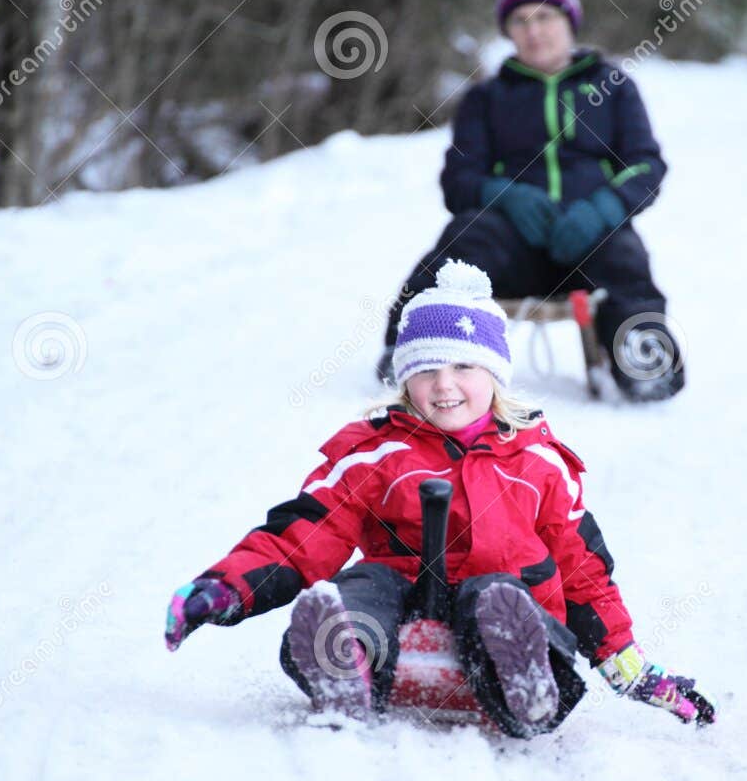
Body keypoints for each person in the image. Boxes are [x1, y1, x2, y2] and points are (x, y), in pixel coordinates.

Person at [166, 260, 714, 737]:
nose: (444, 384)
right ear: (404, 381)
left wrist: (629, 666)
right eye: (425, 369)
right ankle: (345, 661)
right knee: (365, 584)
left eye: (463, 367)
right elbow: (307, 530)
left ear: (495, 376)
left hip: (505, 614)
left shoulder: (539, 464)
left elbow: (582, 571)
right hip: (405, 610)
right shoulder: (377, 453)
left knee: (501, 595)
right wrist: (227, 587)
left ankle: (527, 681)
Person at [374, 0, 683, 401]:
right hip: (510, 251)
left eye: (545, 16)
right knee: (464, 237)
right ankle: (411, 346)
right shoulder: (487, 99)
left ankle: (641, 358)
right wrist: (505, 197)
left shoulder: (613, 86)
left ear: (569, 20)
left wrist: (602, 209)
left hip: (590, 244)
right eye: (520, 20)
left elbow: (646, 165)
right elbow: (459, 178)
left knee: (624, 255)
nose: (533, 30)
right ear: (508, 30)